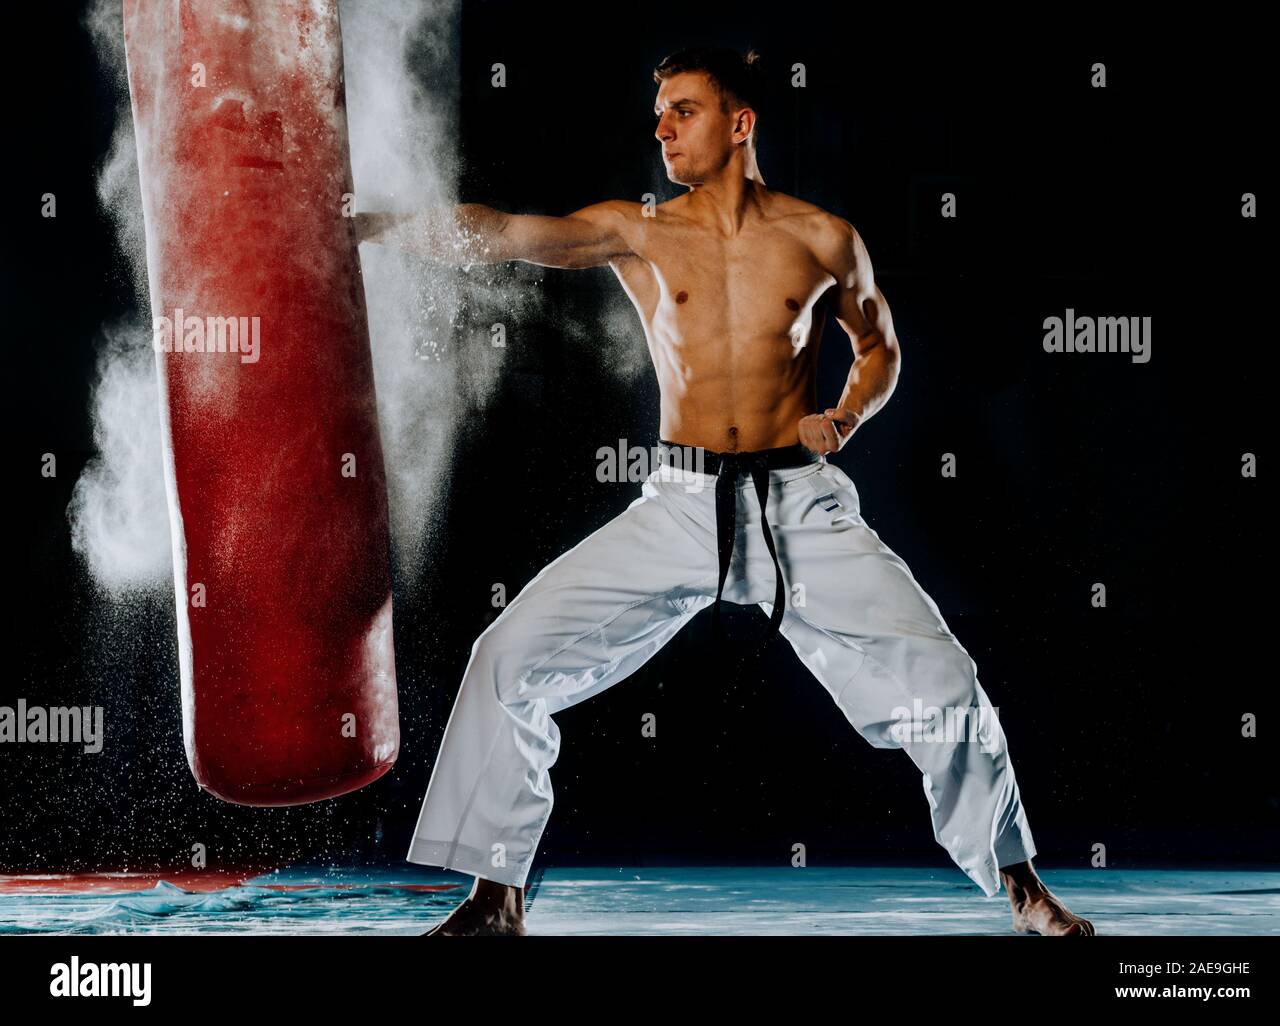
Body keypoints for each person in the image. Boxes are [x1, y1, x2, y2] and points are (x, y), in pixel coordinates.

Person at [358, 45, 1094, 937]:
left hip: (799, 504)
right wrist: (374, 225)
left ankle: (1024, 890)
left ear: (740, 123)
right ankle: (495, 900)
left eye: (683, 110)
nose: (661, 128)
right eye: (659, 112)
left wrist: (849, 416)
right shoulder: (641, 230)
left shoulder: (824, 236)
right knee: (505, 658)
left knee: (945, 681)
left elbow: (882, 350)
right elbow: (505, 233)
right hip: (679, 501)